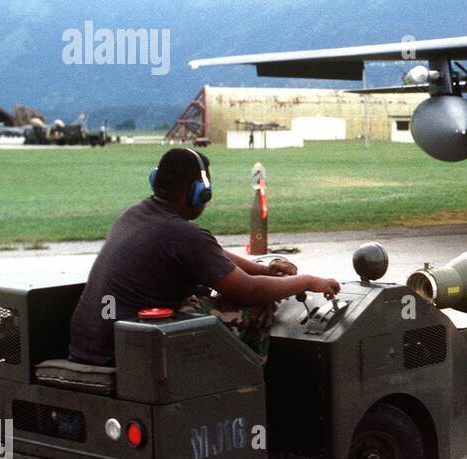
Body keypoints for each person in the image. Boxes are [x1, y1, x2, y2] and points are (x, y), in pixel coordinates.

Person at [68, 147, 340, 366]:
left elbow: (214, 256)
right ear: (200, 192)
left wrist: (266, 269)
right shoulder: (184, 235)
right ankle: (246, 386)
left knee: (202, 300)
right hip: (132, 356)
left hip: (95, 348)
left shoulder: (134, 216)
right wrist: (307, 282)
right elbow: (250, 291)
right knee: (258, 308)